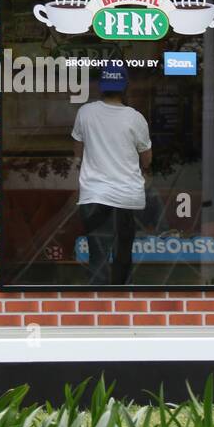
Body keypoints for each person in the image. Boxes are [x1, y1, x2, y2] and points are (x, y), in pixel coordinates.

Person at [72, 61, 152, 286]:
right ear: (125, 87)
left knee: (97, 256)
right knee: (123, 257)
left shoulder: (85, 112)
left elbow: (78, 148)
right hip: (127, 197)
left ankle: (98, 310)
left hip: (94, 196)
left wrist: (82, 165)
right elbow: (147, 158)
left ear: (101, 86)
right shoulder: (135, 117)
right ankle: (123, 306)